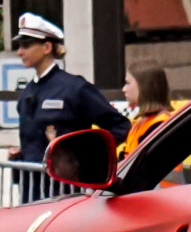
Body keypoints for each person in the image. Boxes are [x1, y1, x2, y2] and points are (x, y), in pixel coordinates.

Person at [10, 14, 130, 170]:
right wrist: (20, 154)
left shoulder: (74, 88)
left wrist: (82, 157)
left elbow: (120, 126)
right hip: (32, 187)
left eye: (26, 45)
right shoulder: (27, 93)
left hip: (66, 188)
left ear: (47, 47)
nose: (20, 52)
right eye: (19, 46)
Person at [119, 64, 176, 160]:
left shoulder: (160, 125)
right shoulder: (142, 123)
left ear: (144, 86)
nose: (124, 89)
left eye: (128, 83)